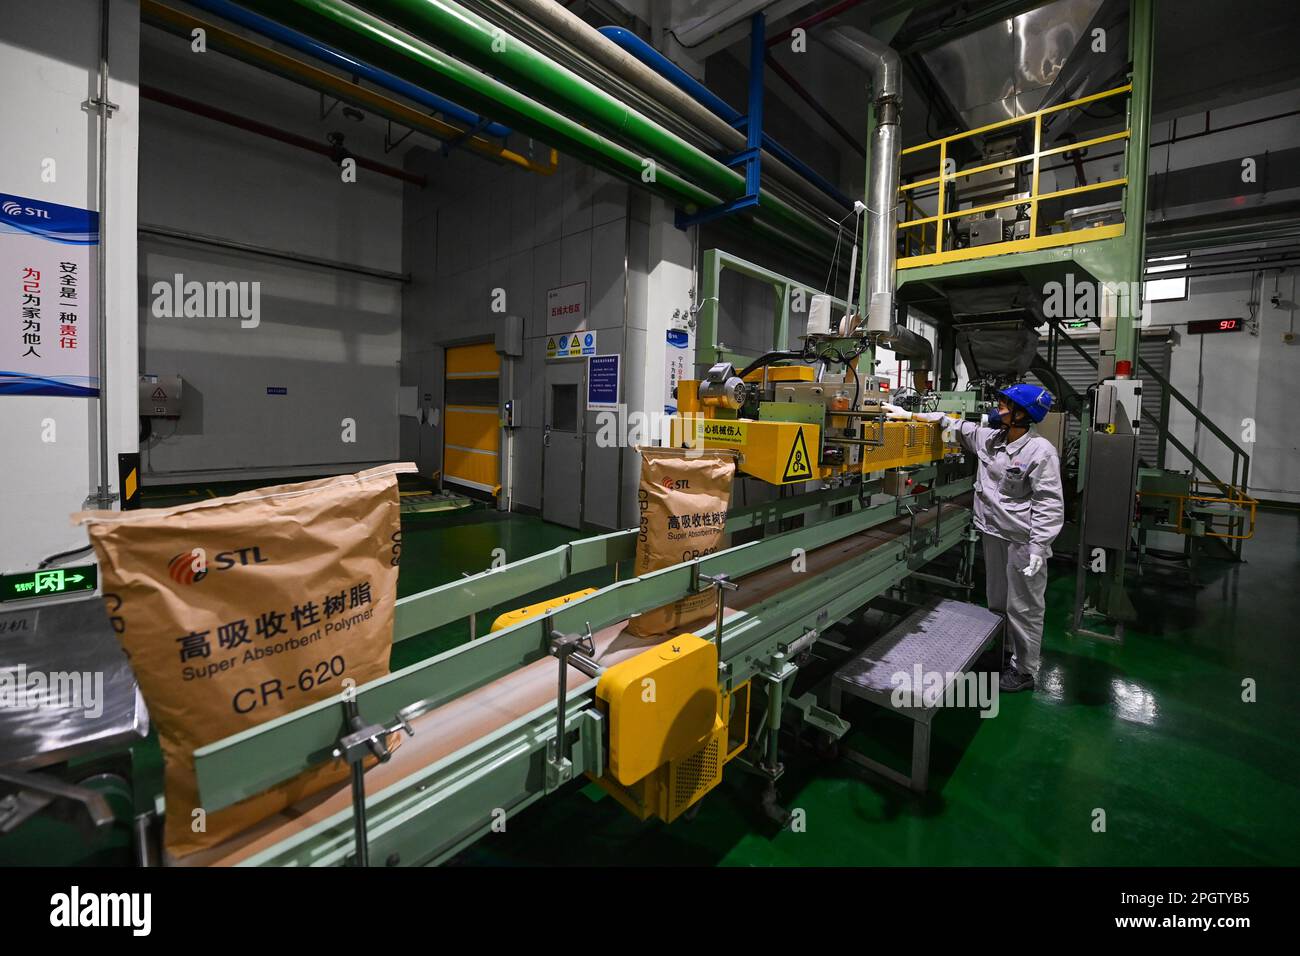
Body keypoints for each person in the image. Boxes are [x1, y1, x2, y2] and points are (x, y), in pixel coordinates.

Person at [882, 384, 1064, 693]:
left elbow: (1049, 502)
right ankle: (1005, 653)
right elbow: (951, 424)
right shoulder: (990, 439)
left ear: (1021, 414)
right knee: (997, 600)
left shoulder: (1040, 451)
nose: (998, 408)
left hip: (1022, 539)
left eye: (1005, 405)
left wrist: (1039, 546)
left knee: (1024, 606)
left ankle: (1024, 669)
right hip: (993, 532)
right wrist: (909, 414)